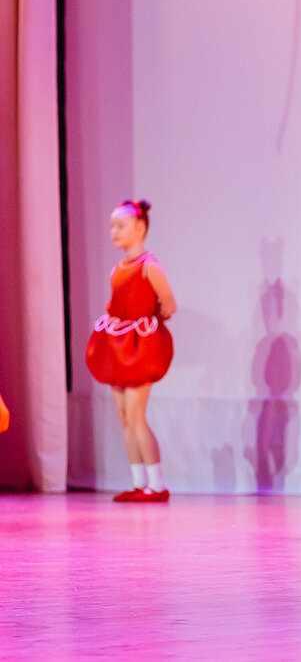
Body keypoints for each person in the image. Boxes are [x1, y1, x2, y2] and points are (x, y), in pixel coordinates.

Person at [86, 200, 176, 502]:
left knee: (136, 416)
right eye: (112, 226)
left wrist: (148, 326)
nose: (114, 232)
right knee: (124, 417)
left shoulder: (149, 265)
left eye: (121, 226)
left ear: (140, 228)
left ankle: (157, 484)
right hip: (119, 346)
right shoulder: (118, 269)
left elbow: (168, 303)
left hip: (139, 347)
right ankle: (139, 482)